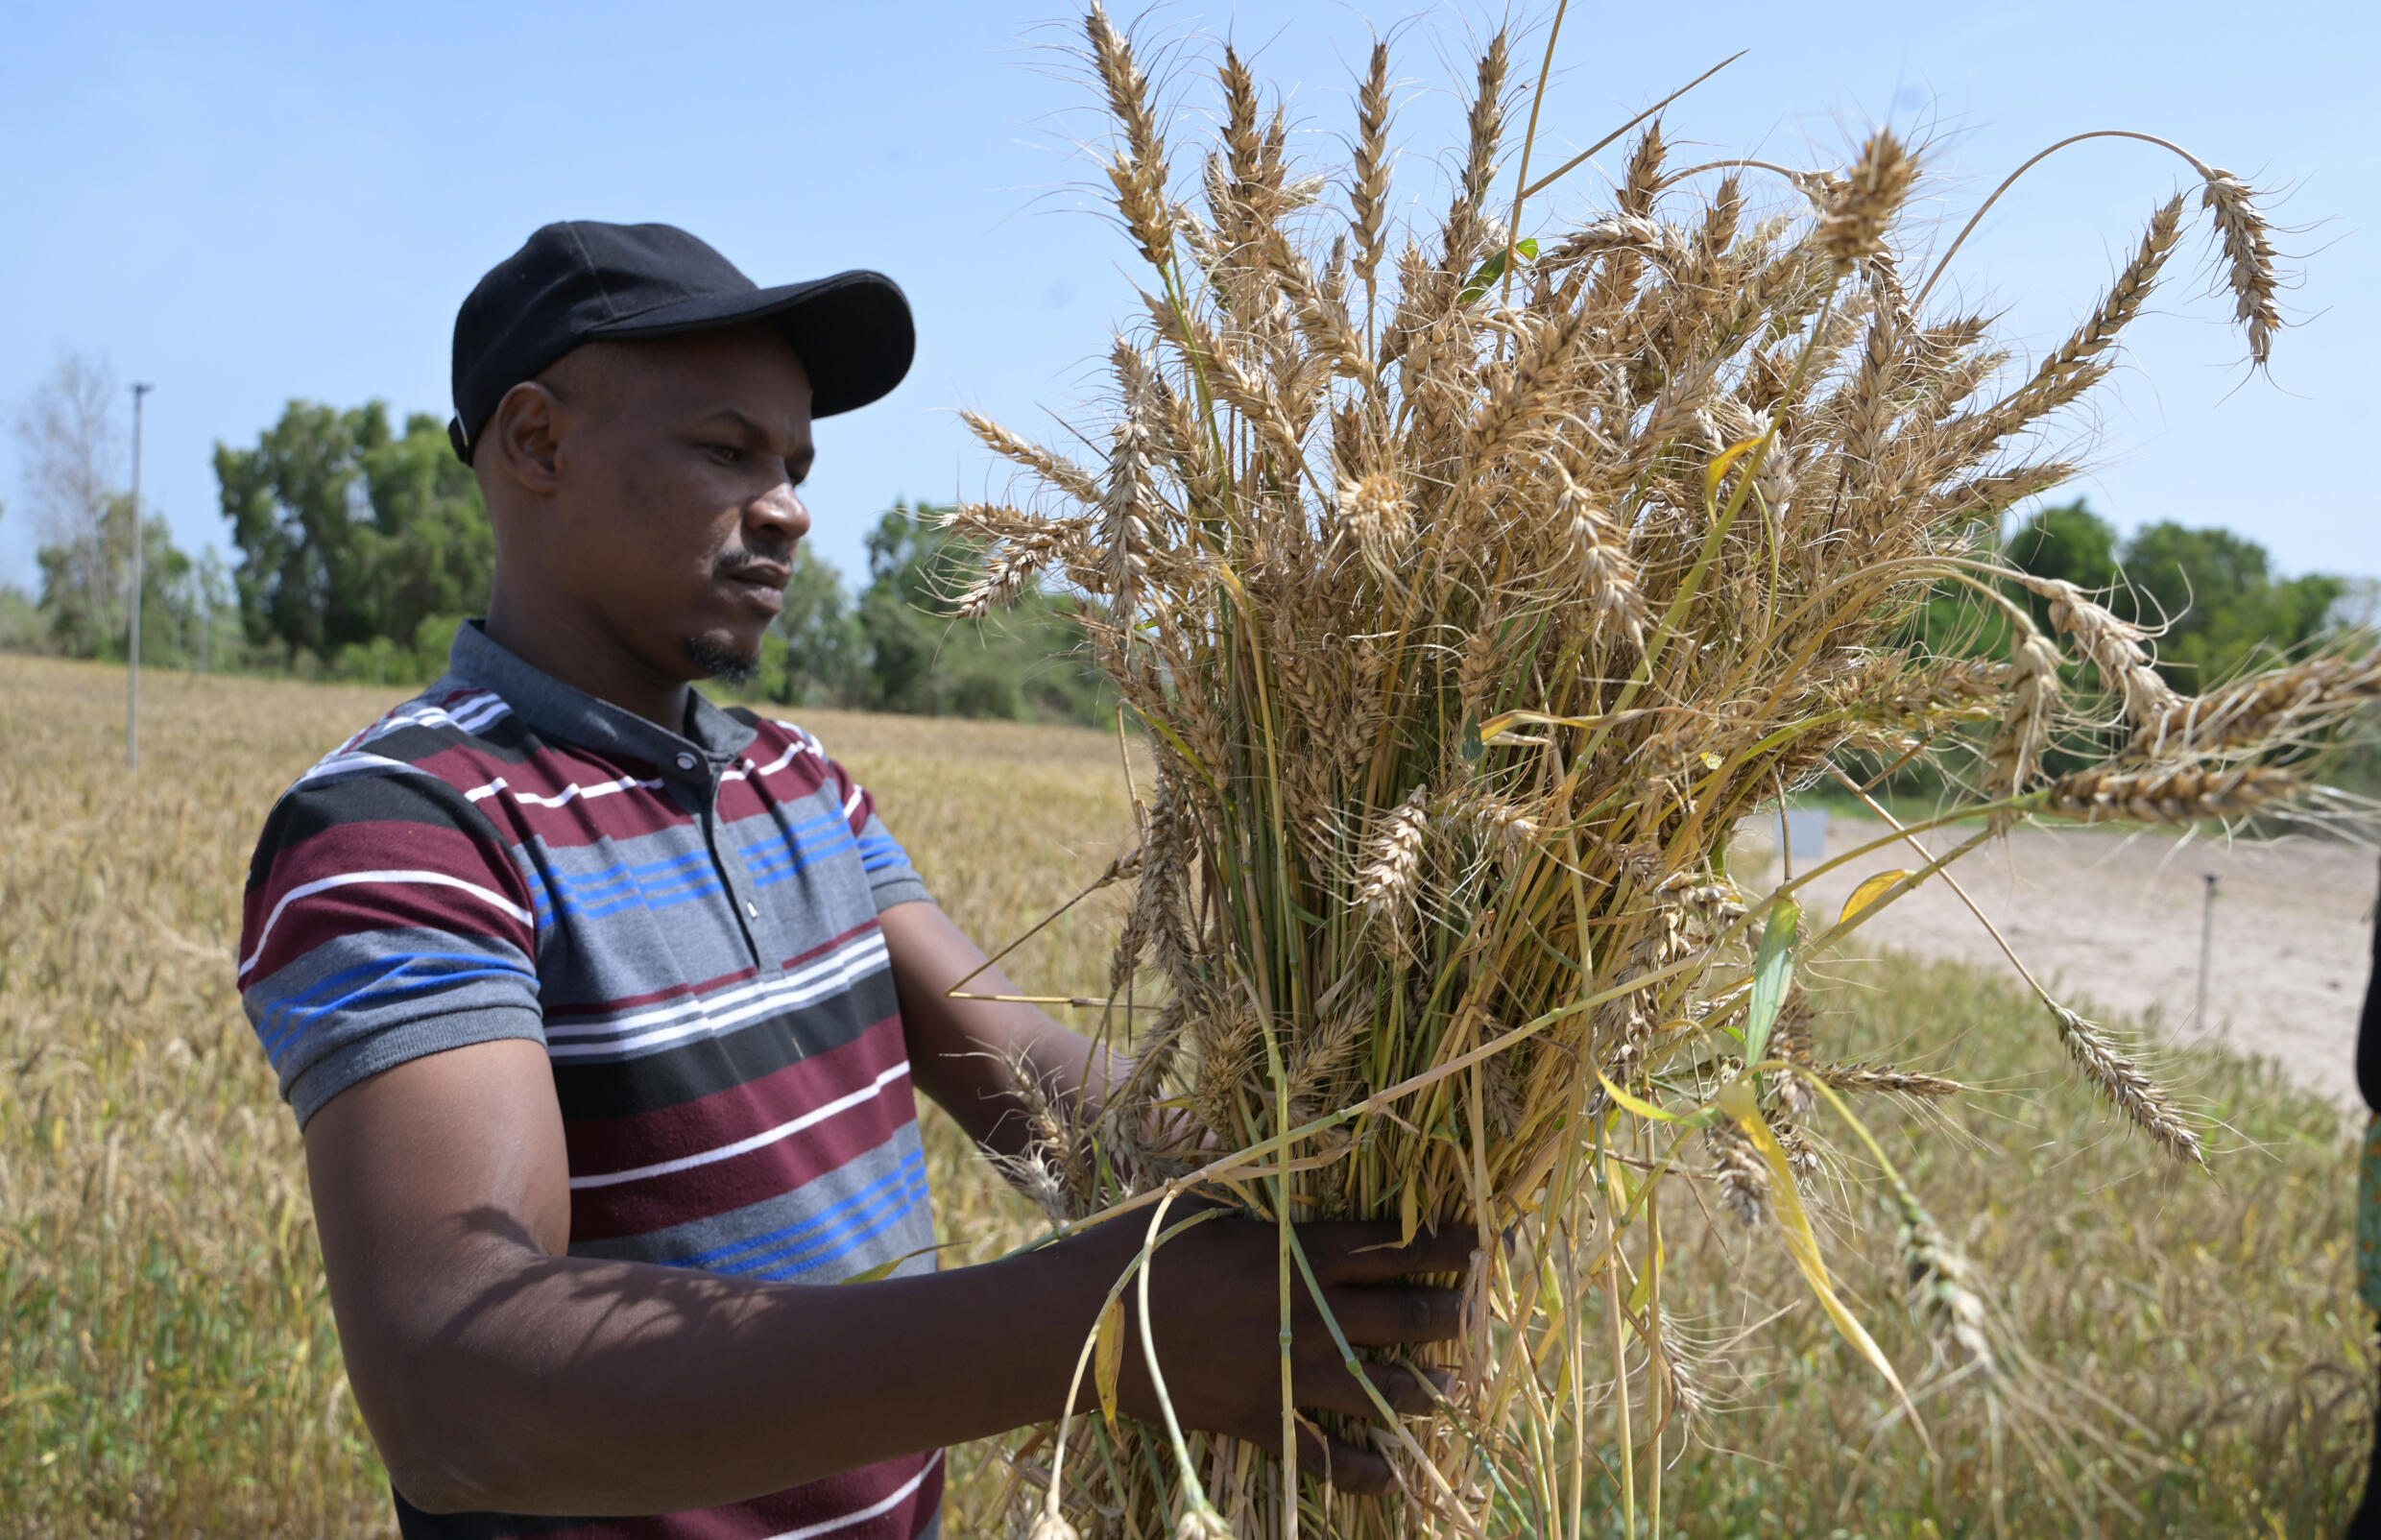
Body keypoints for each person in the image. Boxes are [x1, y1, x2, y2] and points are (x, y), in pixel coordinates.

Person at [235, 221, 1472, 1539]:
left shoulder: (797, 779)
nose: (790, 504)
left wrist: (1326, 1188)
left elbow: (1021, 1069)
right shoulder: (409, 825)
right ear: (536, 444)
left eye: (797, 462)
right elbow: (458, 1395)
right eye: (727, 450)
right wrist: (1101, 1323)